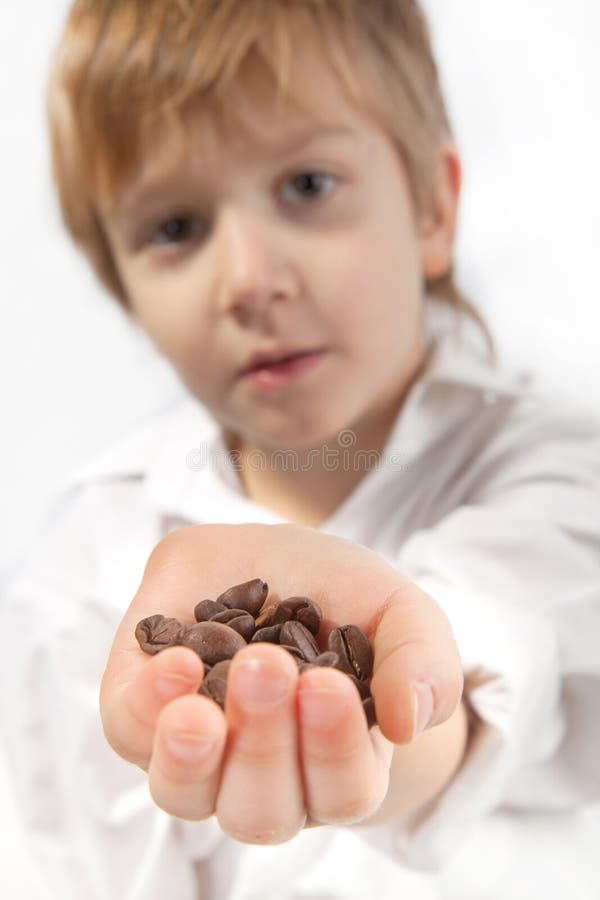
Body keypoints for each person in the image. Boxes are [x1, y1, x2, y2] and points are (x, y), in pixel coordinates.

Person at [2, 1, 599, 898]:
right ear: (122, 290)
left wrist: (390, 692)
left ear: (433, 207)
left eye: (307, 187)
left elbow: (489, 665)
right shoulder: (83, 572)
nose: (247, 280)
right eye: (175, 229)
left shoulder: (563, 470)